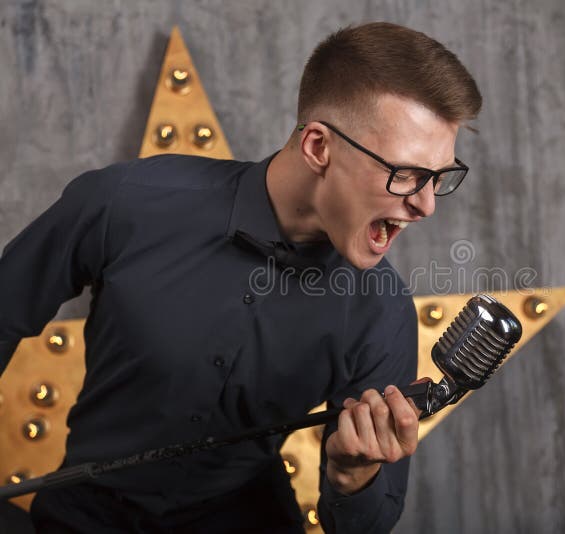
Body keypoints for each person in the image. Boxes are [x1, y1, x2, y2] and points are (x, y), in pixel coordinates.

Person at [0, 21, 481, 533]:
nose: (427, 205)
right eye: (406, 173)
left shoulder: (382, 312)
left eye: (439, 177)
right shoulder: (124, 201)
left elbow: (365, 525)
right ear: (319, 148)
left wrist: (354, 477)